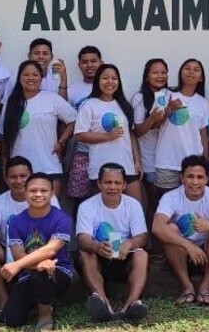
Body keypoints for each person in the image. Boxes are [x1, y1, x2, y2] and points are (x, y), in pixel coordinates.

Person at [0, 156, 62, 317]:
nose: (18, 181)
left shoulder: (48, 198)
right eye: (13, 177)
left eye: (23, 176)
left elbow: (56, 237)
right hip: (9, 254)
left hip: (40, 252)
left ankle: (43, 301)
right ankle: (3, 299)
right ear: (6, 179)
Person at [152, 155, 209, 306]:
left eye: (200, 177)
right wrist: (188, 246)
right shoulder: (170, 197)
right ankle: (187, 287)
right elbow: (157, 227)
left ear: (206, 179)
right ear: (182, 178)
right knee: (170, 228)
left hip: (208, 256)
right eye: (190, 177)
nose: (195, 182)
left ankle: (205, 287)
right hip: (181, 256)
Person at [0, 173, 74, 331]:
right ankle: (42, 303)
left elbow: (51, 248)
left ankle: (45, 316)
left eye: (43, 191)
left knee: (42, 273)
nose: (38, 194)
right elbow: (18, 253)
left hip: (58, 272)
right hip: (29, 273)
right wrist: (37, 264)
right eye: (33, 191)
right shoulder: (16, 222)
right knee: (9, 319)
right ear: (25, 193)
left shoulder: (62, 219)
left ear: (52, 193)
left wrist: (17, 265)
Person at [76, 163, 150, 323]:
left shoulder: (133, 204)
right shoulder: (87, 206)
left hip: (124, 257)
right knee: (85, 253)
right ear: (99, 184)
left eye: (117, 183)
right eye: (108, 182)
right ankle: (103, 303)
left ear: (124, 185)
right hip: (100, 258)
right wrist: (96, 246)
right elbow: (82, 239)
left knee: (141, 254)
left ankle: (130, 305)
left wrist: (129, 244)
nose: (112, 187)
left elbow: (142, 237)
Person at [0, 60, 77, 198]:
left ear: (41, 78)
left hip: (49, 166)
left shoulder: (52, 99)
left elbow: (74, 120)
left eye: (35, 75)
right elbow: (5, 141)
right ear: (19, 78)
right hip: (19, 172)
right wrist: (5, 169)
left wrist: (61, 142)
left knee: (51, 213)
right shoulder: (11, 104)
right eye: (26, 75)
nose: (30, 78)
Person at [73, 63, 144, 204]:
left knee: (136, 209)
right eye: (105, 78)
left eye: (114, 78)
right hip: (101, 168)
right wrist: (107, 137)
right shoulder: (89, 105)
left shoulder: (124, 105)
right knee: (104, 213)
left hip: (127, 167)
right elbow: (80, 135)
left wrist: (137, 161)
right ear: (97, 81)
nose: (110, 82)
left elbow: (130, 135)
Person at [153, 58, 209, 193]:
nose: (191, 72)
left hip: (194, 164)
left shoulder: (204, 103)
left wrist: (205, 160)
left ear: (201, 78)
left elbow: (203, 134)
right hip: (167, 161)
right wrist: (169, 109)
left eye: (196, 70)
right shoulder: (164, 94)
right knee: (165, 204)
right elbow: (154, 124)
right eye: (187, 68)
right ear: (180, 73)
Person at [131, 58, 170, 215]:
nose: (160, 76)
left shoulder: (172, 95)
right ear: (147, 77)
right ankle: (151, 239)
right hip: (150, 162)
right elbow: (137, 131)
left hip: (172, 162)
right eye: (155, 72)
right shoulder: (139, 98)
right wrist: (152, 118)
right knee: (154, 206)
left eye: (163, 72)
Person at [65, 45, 103, 201]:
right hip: (80, 153)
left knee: (103, 196)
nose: (90, 65)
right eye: (85, 62)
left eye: (94, 61)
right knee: (79, 199)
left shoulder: (110, 88)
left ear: (101, 62)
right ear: (79, 65)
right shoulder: (72, 90)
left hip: (104, 152)